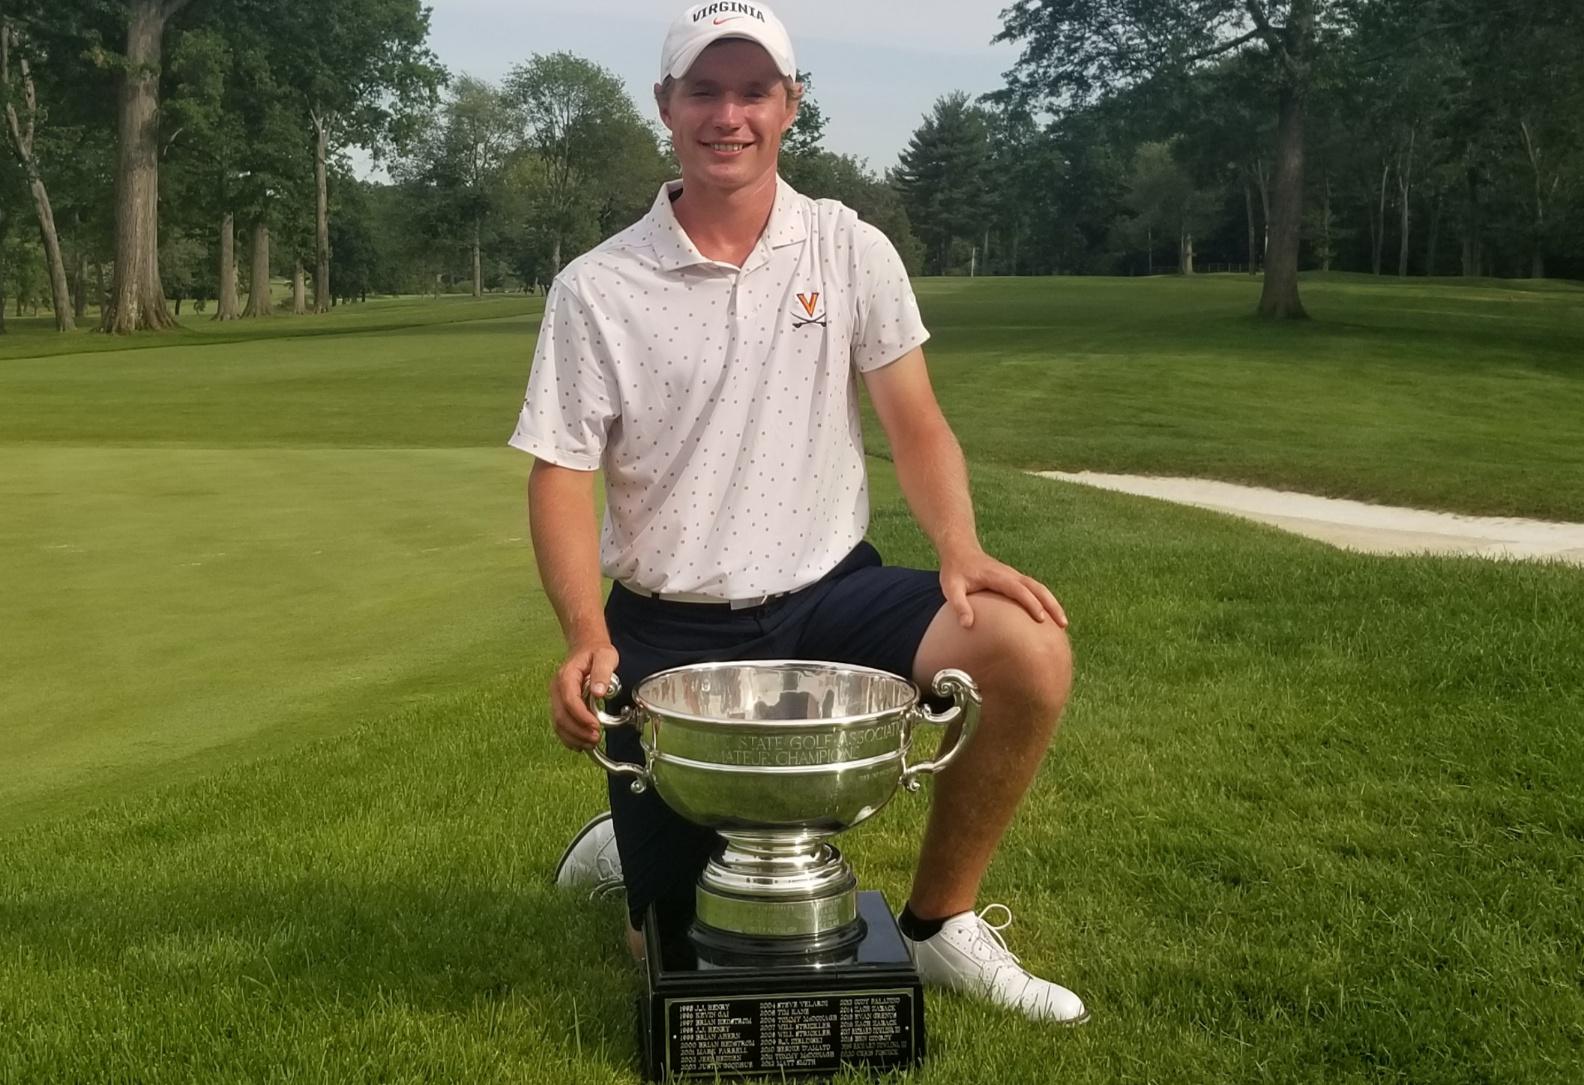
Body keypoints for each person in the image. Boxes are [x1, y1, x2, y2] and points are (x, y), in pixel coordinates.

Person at [510, 1, 1086, 1025]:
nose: (728, 115)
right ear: (666, 105)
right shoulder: (597, 286)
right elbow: (560, 475)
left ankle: (940, 922)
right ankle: (629, 840)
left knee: (1026, 646)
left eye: (753, 91)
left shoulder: (847, 247)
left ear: (791, 105)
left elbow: (914, 420)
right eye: (704, 90)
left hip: (831, 595)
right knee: (669, 942)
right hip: (670, 624)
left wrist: (960, 547)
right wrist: (585, 633)